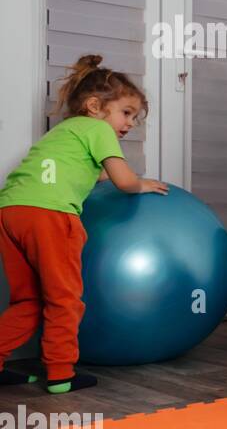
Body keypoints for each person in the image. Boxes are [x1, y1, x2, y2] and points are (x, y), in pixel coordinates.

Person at [0, 55, 167, 393]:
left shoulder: (64, 132)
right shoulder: (98, 130)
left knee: (28, 300)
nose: (130, 123)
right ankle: (61, 373)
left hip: (11, 210)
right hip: (51, 215)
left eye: (135, 117)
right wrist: (140, 183)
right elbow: (121, 179)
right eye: (126, 112)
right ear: (95, 106)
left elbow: (89, 172)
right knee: (65, 298)